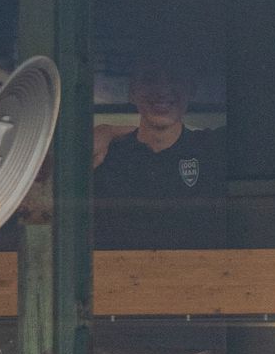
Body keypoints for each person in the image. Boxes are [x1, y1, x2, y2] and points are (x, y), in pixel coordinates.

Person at [93, 59, 226, 249]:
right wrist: (104, 132)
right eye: (150, 79)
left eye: (175, 78)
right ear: (132, 92)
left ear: (192, 89)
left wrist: (108, 129)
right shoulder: (106, 157)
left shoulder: (212, 148)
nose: (162, 90)